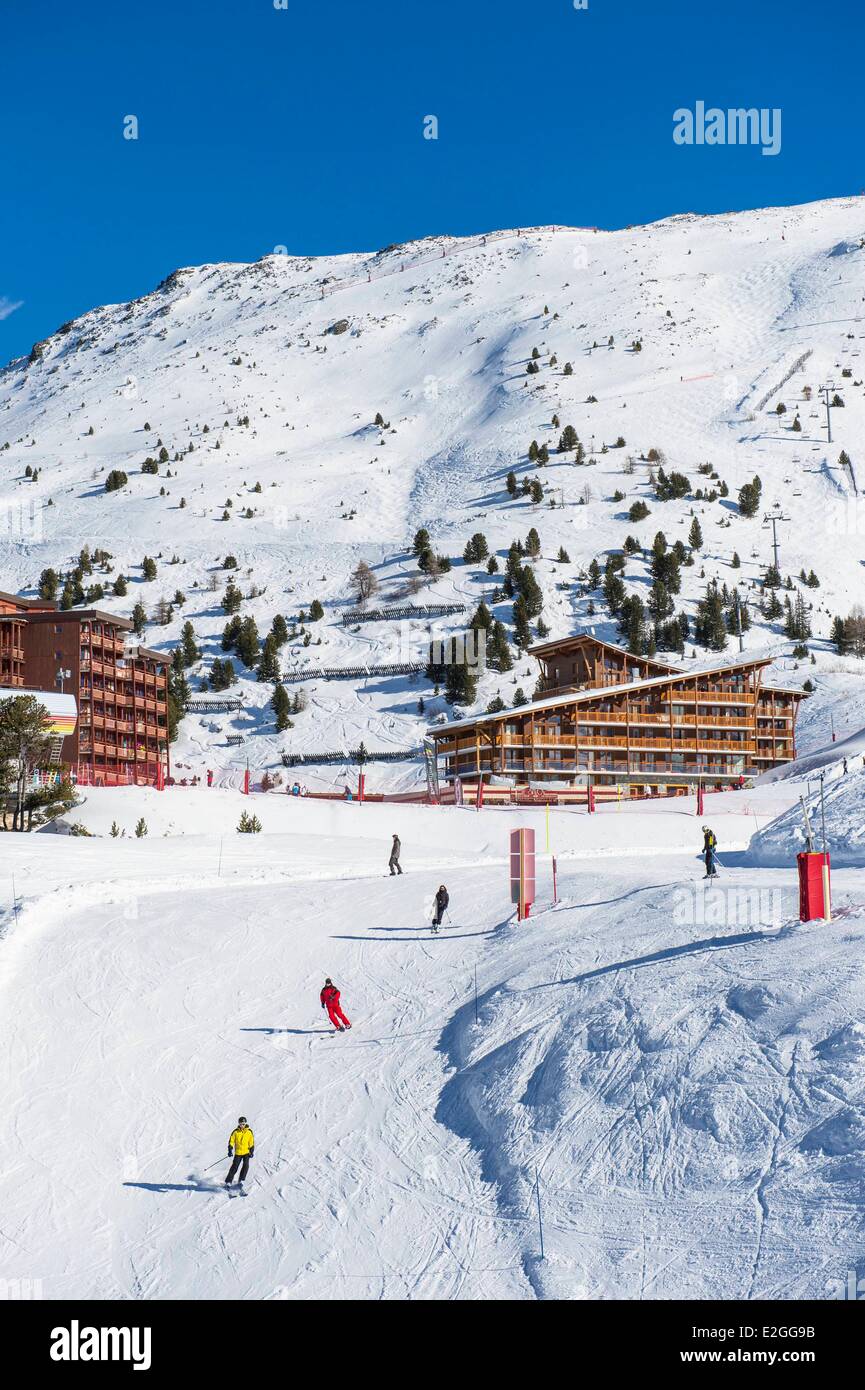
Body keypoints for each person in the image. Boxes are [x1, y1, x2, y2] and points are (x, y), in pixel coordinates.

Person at [225, 1117, 254, 1187]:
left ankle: (241, 1180)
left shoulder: (249, 1132)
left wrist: (251, 1151)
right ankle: (228, 1181)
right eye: (241, 1124)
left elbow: (251, 1142)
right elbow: (231, 1141)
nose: (242, 1125)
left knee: (246, 1166)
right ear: (239, 1124)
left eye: (243, 1124)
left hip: (246, 1152)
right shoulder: (235, 1132)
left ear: (245, 1124)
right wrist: (230, 1150)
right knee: (235, 1167)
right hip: (238, 1153)